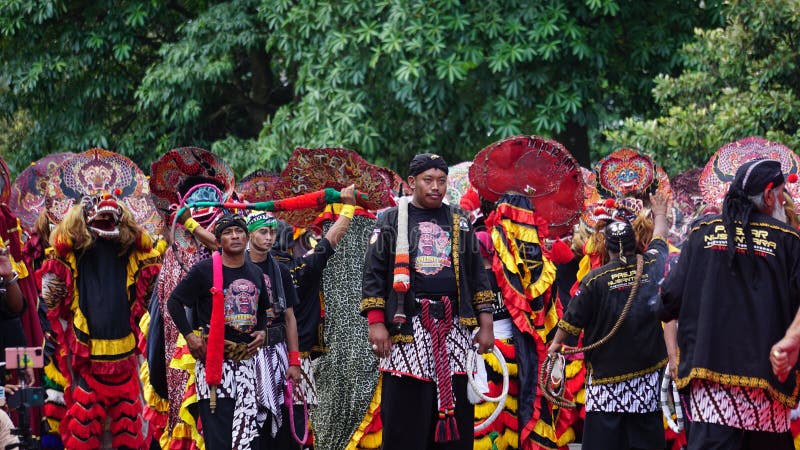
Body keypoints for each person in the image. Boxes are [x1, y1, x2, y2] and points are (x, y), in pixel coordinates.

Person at [661, 158, 800, 450]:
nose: (783, 201)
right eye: (782, 194)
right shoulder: (789, 241)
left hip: (710, 388)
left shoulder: (701, 232)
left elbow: (669, 299)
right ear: (769, 195)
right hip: (768, 385)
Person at [361, 153, 494, 450]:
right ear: (412, 182)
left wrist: (486, 324)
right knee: (406, 413)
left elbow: (477, 276)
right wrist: (376, 323)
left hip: (453, 328)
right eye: (428, 180)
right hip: (407, 327)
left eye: (441, 181)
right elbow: (373, 274)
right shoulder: (391, 219)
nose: (436, 187)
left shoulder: (459, 220)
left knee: (455, 411)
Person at [548, 191, 670, 450]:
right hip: (646, 375)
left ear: (607, 247)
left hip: (605, 380)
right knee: (645, 438)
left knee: (603, 442)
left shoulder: (594, 280)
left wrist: (555, 345)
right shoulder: (652, 264)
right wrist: (660, 213)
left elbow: (571, 320)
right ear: (635, 242)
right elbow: (660, 237)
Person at [167, 213, 270, 449]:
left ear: (247, 237)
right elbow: (174, 302)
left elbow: (263, 310)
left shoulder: (256, 273)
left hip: (246, 366)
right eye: (228, 232)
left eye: (239, 231)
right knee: (220, 439)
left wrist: (262, 331)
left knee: (246, 438)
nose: (234, 236)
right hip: (215, 364)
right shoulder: (204, 270)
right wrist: (190, 337)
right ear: (218, 240)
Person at [244, 211, 303, 447]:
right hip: (244, 355)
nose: (269, 237)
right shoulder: (233, 266)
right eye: (263, 232)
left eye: (272, 233)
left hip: (275, 354)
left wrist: (294, 361)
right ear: (250, 234)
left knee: (277, 423)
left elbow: (289, 318)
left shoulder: (281, 271)